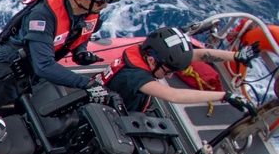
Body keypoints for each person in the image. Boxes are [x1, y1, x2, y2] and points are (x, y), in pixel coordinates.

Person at [102, 26, 242, 115]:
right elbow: (174, 95)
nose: (169, 77)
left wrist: (236, 56)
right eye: (168, 72)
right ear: (151, 61)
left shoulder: (146, 52)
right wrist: (224, 96)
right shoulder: (135, 76)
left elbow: (199, 55)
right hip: (110, 113)